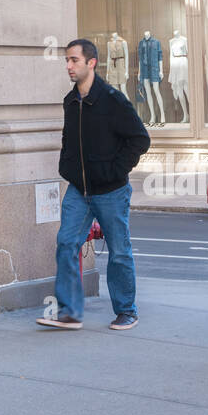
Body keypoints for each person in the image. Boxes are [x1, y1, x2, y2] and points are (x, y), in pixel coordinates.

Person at [37, 38, 150, 331]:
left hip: (111, 191)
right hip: (79, 190)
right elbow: (69, 140)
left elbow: (140, 139)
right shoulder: (70, 101)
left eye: (74, 60)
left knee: (119, 250)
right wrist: (68, 167)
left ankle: (127, 311)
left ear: (91, 63)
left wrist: (114, 171)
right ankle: (70, 312)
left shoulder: (112, 100)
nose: (68, 66)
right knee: (66, 243)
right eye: (67, 60)